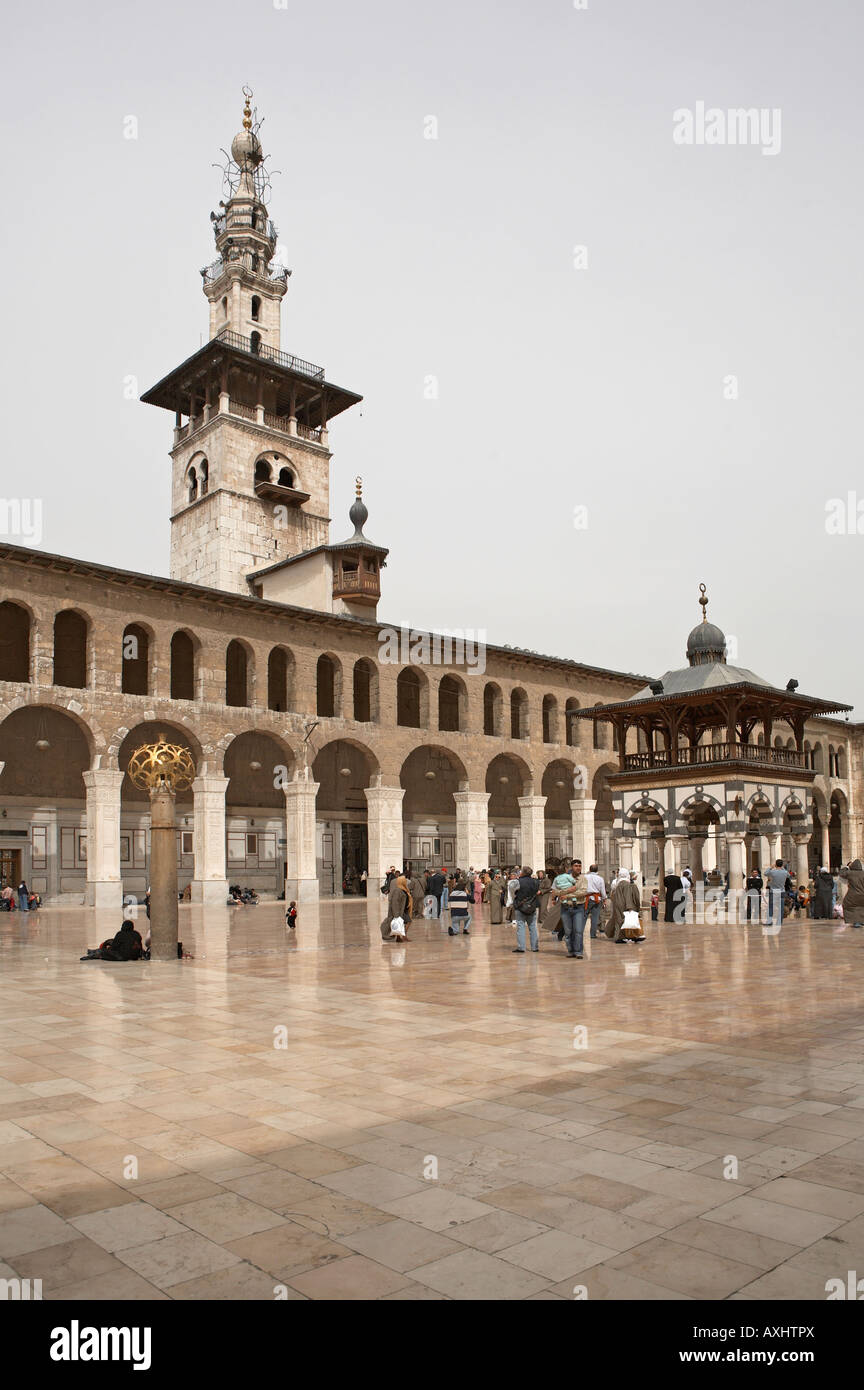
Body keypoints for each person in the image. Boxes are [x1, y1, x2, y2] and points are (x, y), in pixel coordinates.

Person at [551, 859, 587, 959]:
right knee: (568, 932)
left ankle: (579, 951)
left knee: (578, 931)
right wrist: (568, 891)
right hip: (566, 908)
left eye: (580, 866)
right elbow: (555, 892)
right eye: (576, 866)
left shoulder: (583, 879)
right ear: (571, 867)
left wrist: (567, 895)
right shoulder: (563, 878)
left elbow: (583, 892)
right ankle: (571, 950)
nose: (578, 868)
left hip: (578, 907)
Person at [512, 867, 540, 954]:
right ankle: (534, 947)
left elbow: (512, 891)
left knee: (520, 926)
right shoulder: (536, 881)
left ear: (523, 873)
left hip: (521, 906)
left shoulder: (518, 881)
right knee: (533, 927)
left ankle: (521, 947)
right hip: (532, 906)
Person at [611, 870, 645, 943]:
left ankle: (619, 937)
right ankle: (632, 935)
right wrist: (630, 907)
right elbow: (627, 896)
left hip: (617, 904)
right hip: (624, 904)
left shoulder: (618, 883)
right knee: (628, 921)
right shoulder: (626, 884)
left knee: (619, 921)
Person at [381, 874, 411, 941]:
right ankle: (401, 937)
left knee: (402, 923)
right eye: (404, 880)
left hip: (403, 909)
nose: (406, 881)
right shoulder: (398, 890)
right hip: (399, 911)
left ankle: (400, 937)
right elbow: (395, 903)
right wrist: (396, 914)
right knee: (407, 921)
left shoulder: (403, 889)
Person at [765, 859, 791, 927]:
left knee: (771, 907)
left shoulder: (773, 872)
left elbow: (765, 873)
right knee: (781, 907)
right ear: (782, 865)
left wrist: (771, 867)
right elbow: (789, 875)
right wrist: (782, 868)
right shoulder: (784, 872)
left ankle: (769, 921)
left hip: (773, 891)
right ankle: (779, 921)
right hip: (781, 891)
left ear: (776, 864)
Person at [839, 860, 864, 928]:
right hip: (862, 895)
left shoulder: (850, 873)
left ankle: (856, 922)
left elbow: (841, 873)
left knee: (848, 906)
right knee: (861, 907)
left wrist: (846, 867)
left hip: (852, 895)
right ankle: (861, 921)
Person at [585, 864, 607, 940]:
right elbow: (603, 891)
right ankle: (593, 934)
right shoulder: (600, 879)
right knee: (595, 917)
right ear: (597, 870)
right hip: (597, 899)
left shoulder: (585, 877)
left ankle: (579, 933)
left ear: (590, 870)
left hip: (587, 899)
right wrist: (604, 899)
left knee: (583, 916)